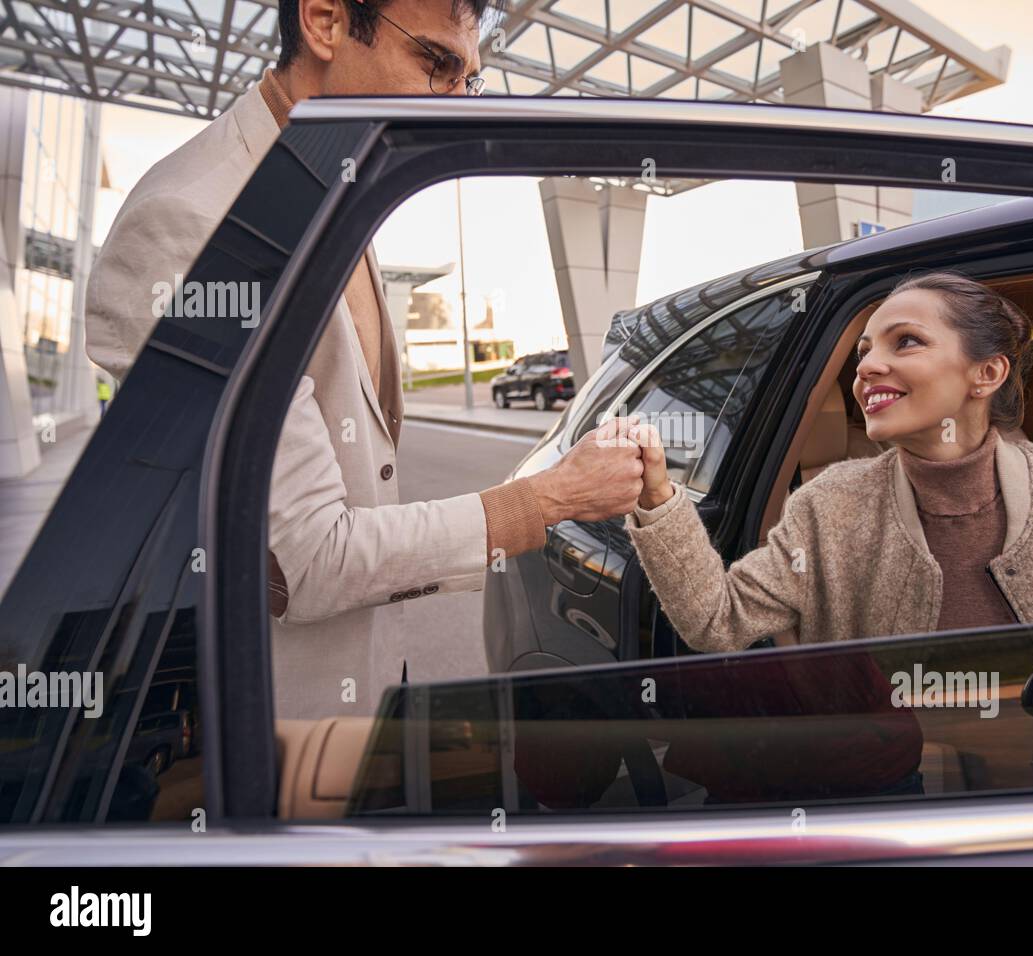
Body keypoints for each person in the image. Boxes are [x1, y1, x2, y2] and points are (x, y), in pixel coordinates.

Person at [85, 0, 645, 719]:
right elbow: (307, 559)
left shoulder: (332, 184)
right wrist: (549, 499)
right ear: (325, 23)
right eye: (437, 65)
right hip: (266, 731)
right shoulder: (194, 223)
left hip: (368, 691)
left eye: (468, 79)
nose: (458, 106)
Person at [618, 270, 1033, 655]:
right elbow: (716, 622)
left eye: (906, 342)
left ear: (987, 372)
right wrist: (657, 501)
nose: (866, 367)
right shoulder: (829, 506)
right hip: (893, 799)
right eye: (863, 351)